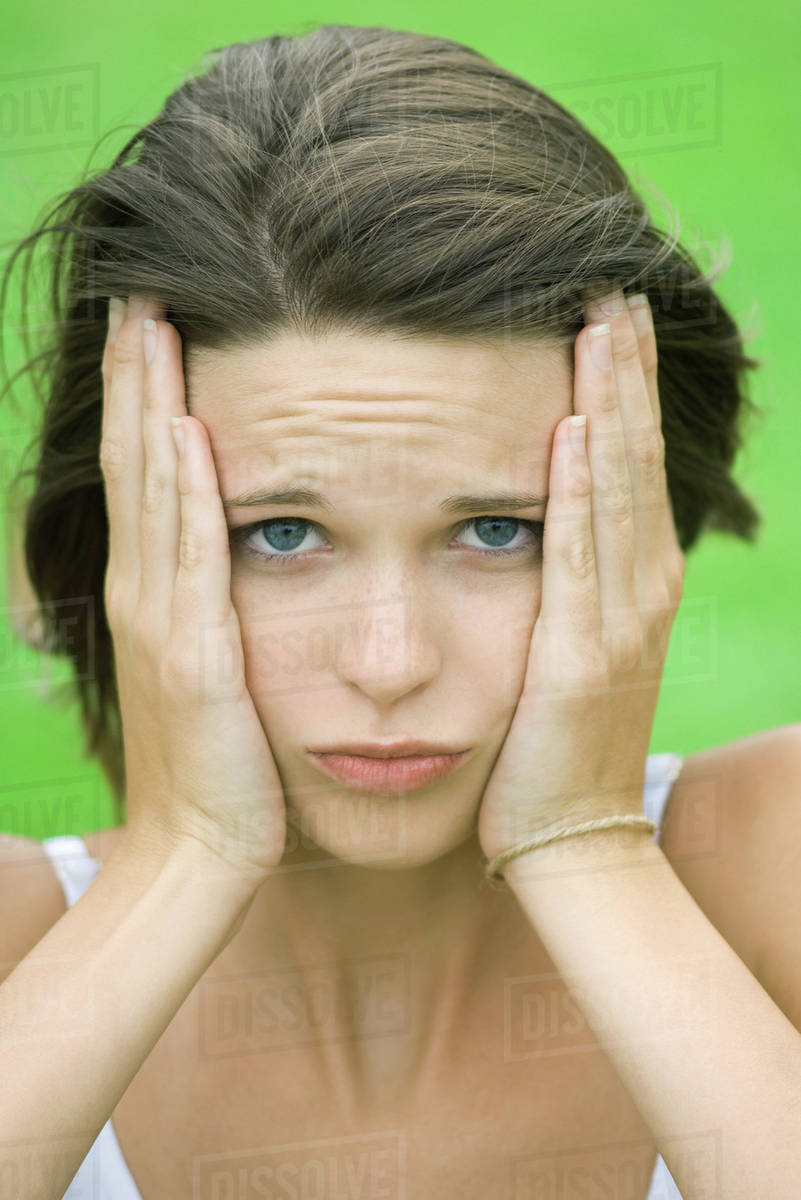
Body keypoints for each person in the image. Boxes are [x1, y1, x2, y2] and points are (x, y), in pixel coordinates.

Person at [2, 24, 800, 1200]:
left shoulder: (769, 856)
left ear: (632, 519)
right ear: (124, 533)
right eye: (280, 534)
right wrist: (185, 860)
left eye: (495, 531)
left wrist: (586, 848)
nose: (390, 662)